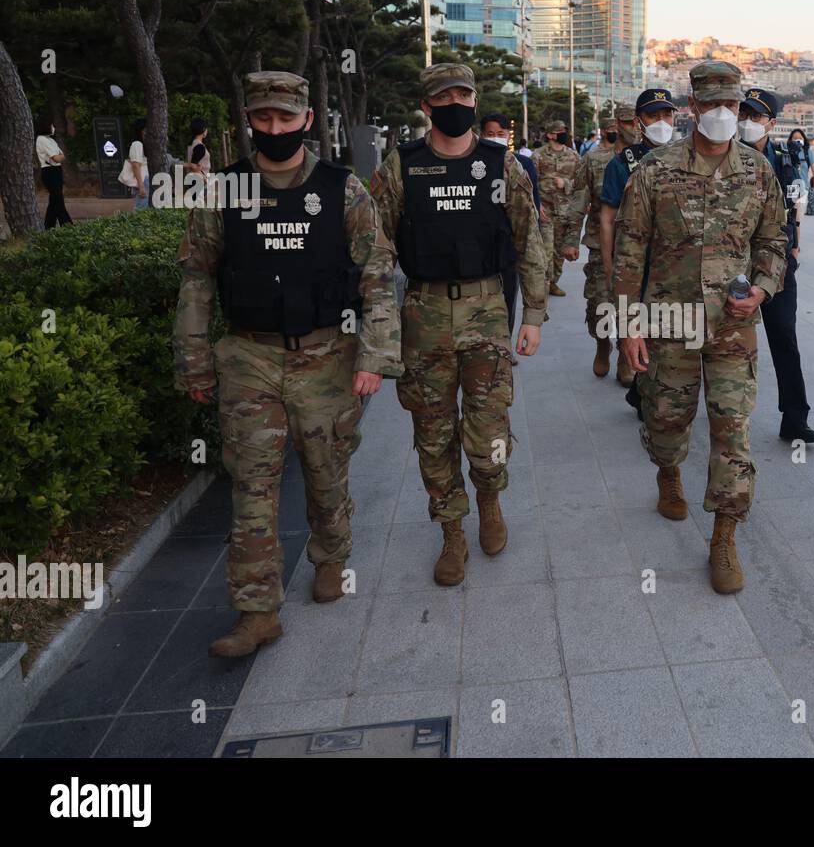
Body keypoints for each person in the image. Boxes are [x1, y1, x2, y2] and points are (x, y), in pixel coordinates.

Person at [173, 71, 402, 657]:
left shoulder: (341, 189)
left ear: (305, 120)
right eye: (263, 118)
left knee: (326, 473)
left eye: (284, 118)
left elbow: (377, 276)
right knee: (251, 484)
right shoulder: (223, 191)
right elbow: (198, 278)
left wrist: (374, 355)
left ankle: (331, 555)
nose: (273, 128)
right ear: (249, 120)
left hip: (327, 354)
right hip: (249, 355)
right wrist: (194, 360)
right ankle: (256, 611)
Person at [613, 61, 787, 595]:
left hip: (734, 328)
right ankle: (667, 469)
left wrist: (763, 286)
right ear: (692, 108)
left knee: (732, 432)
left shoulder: (758, 171)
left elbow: (774, 242)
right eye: (710, 105)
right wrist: (627, 326)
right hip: (669, 323)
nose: (721, 114)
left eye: (730, 105)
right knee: (667, 422)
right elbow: (629, 250)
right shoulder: (655, 171)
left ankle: (724, 535)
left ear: (740, 109)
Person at [372, 63, 548, 586]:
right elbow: (374, 249)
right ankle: (451, 529)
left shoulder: (502, 164)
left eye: (464, 95)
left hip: (487, 309)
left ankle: (490, 499)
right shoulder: (401, 166)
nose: (456, 104)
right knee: (432, 432)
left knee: (489, 426)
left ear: (475, 101)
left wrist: (533, 315)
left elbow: (530, 238)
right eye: (443, 97)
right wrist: (377, 333)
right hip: (423, 313)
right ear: (426, 107)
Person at [738, 89, 814, 444]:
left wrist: (796, 248)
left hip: (777, 260)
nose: (746, 122)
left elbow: (795, 205)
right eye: (743, 114)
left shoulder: (785, 159)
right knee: (715, 339)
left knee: (784, 335)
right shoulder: (723, 155)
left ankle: (795, 418)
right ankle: (653, 395)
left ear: (772, 123)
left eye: (755, 116)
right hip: (732, 263)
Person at [600, 87, 678, 388]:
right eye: (653, 115)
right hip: (635, 259)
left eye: (667, 114)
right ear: (638, 121)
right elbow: (607, 219)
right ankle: (626, 359)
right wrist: (609, 266)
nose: (661, 121)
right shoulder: (623, 163)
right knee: (634, 324)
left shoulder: (685, 156)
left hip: (671, 264)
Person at [565, 110, 623, 376]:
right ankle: (602, 344)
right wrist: (570, 239)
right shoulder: (594, 159)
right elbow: (579, 199)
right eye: (615, 125)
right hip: (602, 244)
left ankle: (626, 355)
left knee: (633, 305)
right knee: (600, 304)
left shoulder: (649, 158)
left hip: (638, 246)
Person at [481, 112, 540, 333]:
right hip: (481, 240)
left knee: (507, 295)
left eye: (500, 134)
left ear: (508, 135)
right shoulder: (476, 163)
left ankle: (504, 341)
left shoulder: (523, 163)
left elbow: (532, 204)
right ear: (481, 134)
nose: (496, 137)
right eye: (490, 134)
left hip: (509, 242)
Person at [534, 120, 581, 296]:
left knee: (559, 252)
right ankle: (543, 285)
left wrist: (566, 183)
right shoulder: (537, 155)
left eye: (565, 131)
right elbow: (530, 183)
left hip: (565, 211)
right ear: (550, 135)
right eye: (560, 131)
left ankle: (553, 282)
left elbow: (582, 182)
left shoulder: (574, 156)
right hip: (545, 211)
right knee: (545, 251)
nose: (564, 134)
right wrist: (537, 205)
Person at [35, 119, 72, 229]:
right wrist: (58, 157)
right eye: (52, 126)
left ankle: (48, 225)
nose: (53, 128)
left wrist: (58, 157)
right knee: (58, 199)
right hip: (49, 171)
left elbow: (62, 156)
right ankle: (67, 225)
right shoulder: (41, 139)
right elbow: (56, 158)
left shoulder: (51, 140)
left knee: (54, 199)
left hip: (57, 170)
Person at [126, 119, 149, 210]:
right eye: (146, 130)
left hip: (145, 181)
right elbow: (135, 165)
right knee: (141, 209)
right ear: (141, 131)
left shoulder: (142, 145)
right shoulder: (137, 144)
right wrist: (141, 186)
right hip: (143, 181)